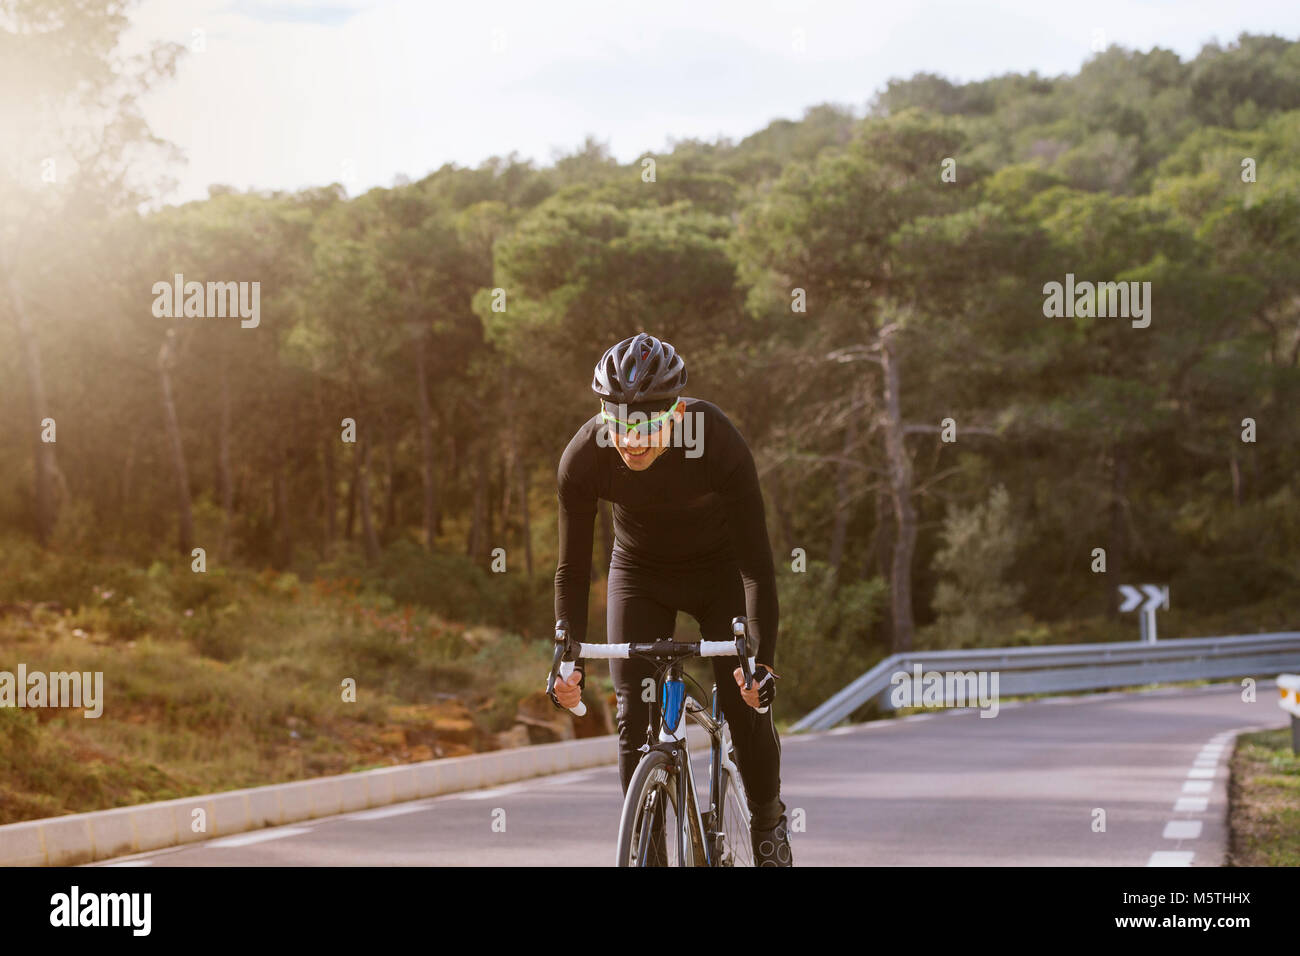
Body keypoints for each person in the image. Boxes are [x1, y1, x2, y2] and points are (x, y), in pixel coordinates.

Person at [550, 331, 793, 866]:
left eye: (645, 426)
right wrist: (565, 658)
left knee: (742, 705)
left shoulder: (719, 442)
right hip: (639, 573)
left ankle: (769, 826)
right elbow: (571, 569)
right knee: (632, 717)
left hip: (720, 572)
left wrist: (762, 664)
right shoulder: (585, 456)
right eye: (618, 425)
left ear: (678, 413)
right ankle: (649, 854)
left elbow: (757, 566)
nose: (630, 441)